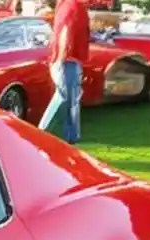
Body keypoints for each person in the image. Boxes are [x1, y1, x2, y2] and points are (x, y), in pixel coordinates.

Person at [37, 0, 88, 143]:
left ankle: (71, 136)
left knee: (71, 99)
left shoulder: (66, 5)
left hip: (68, 59)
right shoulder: (73, 6)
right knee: (64, 97)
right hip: (67, 59)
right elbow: (66, 31)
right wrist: (61, 57)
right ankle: (42, 131)